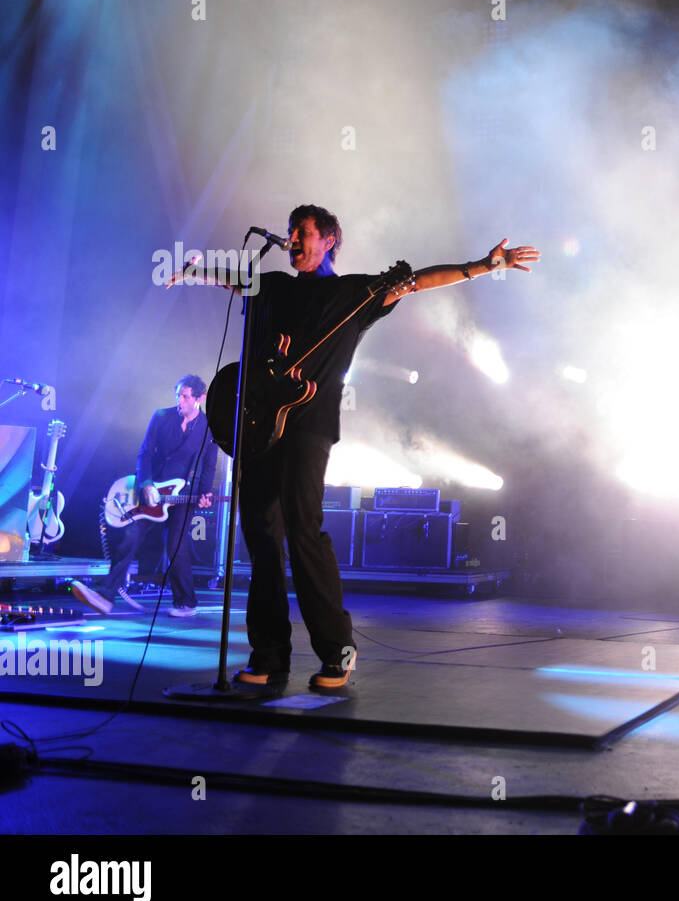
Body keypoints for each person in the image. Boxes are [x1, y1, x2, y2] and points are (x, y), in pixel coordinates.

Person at [199, 204, 538, 690]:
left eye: (304, 234)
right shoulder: (272, 285)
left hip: (308, 425)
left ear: (330, 239)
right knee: (259, 535)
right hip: (256, 427)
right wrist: (194, 269)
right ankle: (269, 653)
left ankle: (337, 650)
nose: (293, 241)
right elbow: (232, 278)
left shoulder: (351, 293)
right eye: (291, 233)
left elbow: (417, 281)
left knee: (302, 529)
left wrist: (482, 267)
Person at [73, 375, 216, 618]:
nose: (179, 400)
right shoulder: (161, 416)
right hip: (151, 493)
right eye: (178, 394)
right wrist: (147, 484)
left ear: (200, 399)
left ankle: (187, 602)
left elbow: (209, 465)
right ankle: (105, 597)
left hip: (182, 497)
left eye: (185, 396)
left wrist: (204, 495)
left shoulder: (209, 428)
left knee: (175, 547)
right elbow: (145, 453)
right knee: (130, 539)